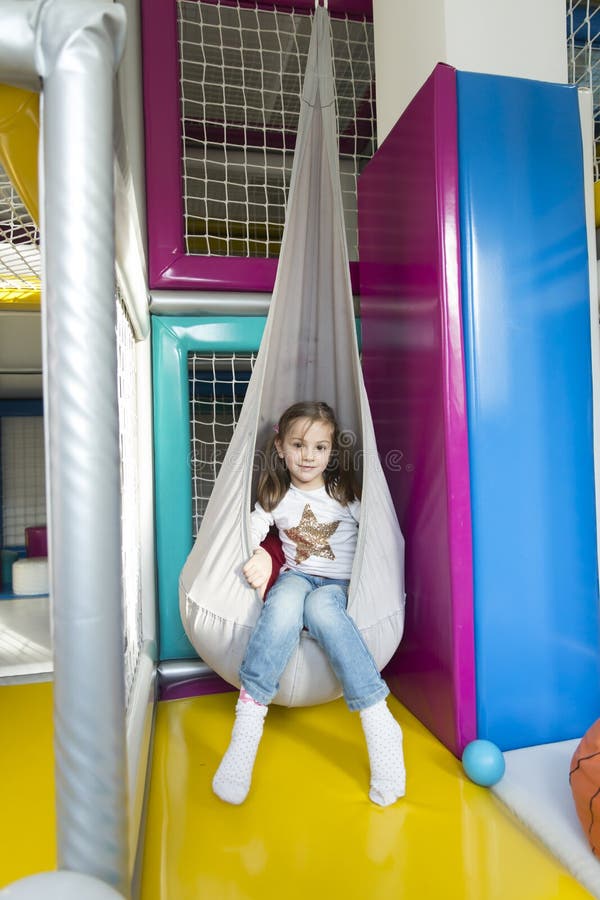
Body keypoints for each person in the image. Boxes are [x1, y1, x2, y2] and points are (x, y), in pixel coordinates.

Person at [212, 401, 405, 806]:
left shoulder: (343, 492)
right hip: (295, 577)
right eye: (298, 445)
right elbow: (250, 527)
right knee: (283, 604)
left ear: (331, 451)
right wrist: (257, 554)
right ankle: (247, 729)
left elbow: (377, 529)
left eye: (319, 448)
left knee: (319, 608)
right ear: (280, 447)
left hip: (338, 584)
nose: (308, 456)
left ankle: (377, 719)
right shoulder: (276, 495)